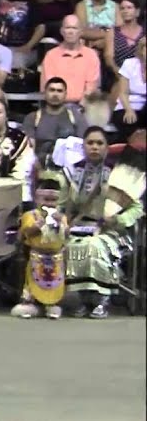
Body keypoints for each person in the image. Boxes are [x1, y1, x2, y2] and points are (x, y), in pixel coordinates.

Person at [63, 127, 145, 317]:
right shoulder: (72, 173)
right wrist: (64, 223)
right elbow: (62, 206)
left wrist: (118, 219)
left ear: (107, 148)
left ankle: (101, 300)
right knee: (74, 245)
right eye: (90, 143)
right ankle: (85, 300)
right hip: (79, 228)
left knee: (94, 246)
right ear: (83, 147)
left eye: (99, 143)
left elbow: (137, 208)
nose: (94, 147)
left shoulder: (119, 174)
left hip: (113, 232)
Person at [11, 171, 69, 320]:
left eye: (53, 200)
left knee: (55, 283)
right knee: (33, 282)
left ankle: (52, 305)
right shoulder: (31, 215)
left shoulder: (61, 217)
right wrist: (38, 226)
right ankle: (30, 304)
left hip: (56, 256)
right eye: (46, 200)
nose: (49, 204)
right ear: (37, 199)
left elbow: (66, 234)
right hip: (36, 256)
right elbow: (25, 233)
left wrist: (60, 224)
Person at [22, 77, 88, 161]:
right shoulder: (32, 118)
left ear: (65, 94)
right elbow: (28, 151)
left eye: (59, 91)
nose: (55, 94)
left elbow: (83, 148)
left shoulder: (77, 117)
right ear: (45, 93)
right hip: (39, 167)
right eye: (52, 90)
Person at [40, 15, 101, 104]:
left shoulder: (91, 55)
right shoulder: (51, 56)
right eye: (67, 28)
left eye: (74, 28)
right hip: (57, 106)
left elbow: (91, 88)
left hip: (84, 107)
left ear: (81, 32)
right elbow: (50, 89)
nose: (71, 32)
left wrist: (80, 109)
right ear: (62, 31)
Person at [113, 36, 146, 131]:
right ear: (141, 50)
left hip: (144, 108)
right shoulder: (129, 64)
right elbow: (123, 93)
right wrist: (129, 110)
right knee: (128, 121)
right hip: (127, 106)